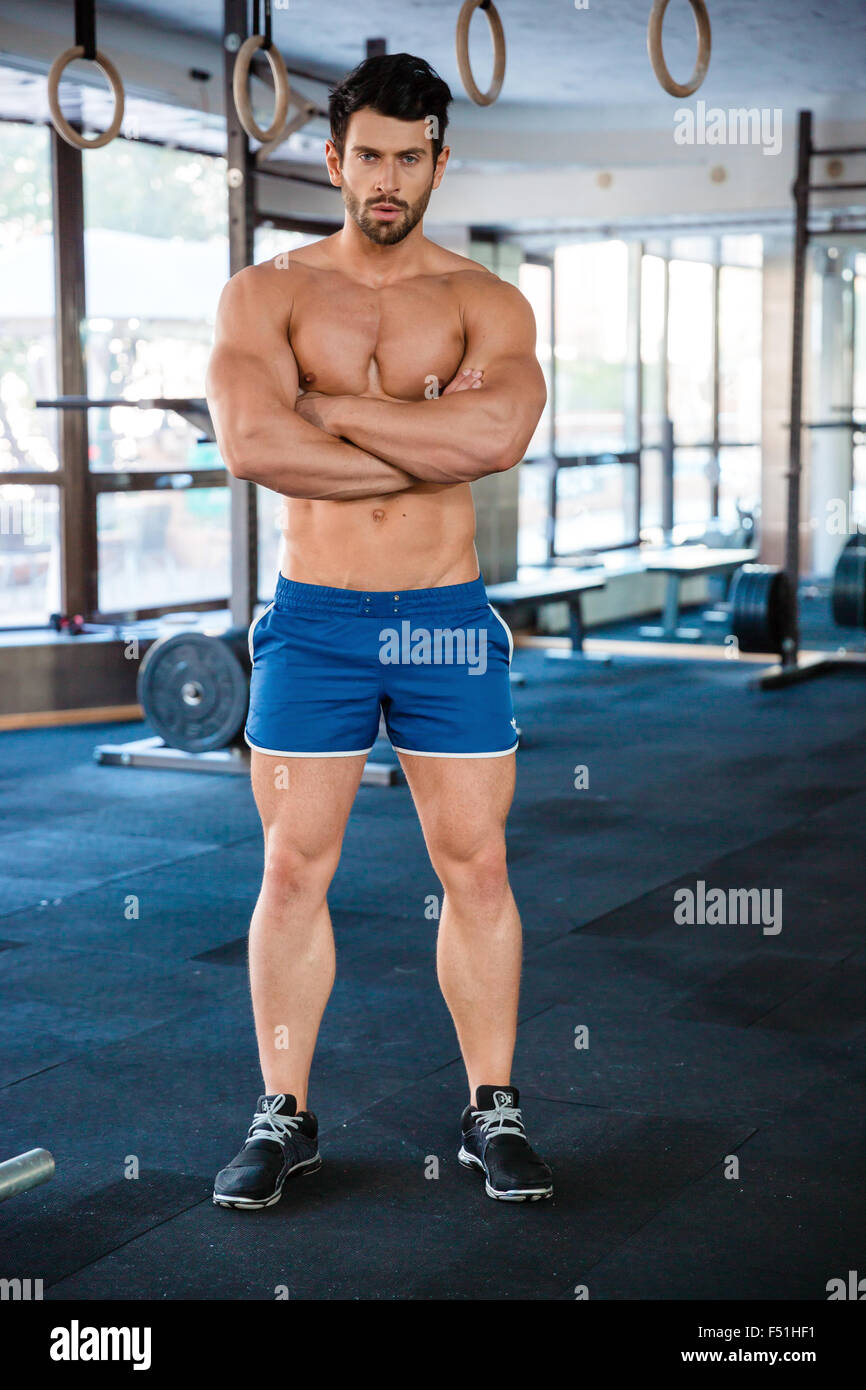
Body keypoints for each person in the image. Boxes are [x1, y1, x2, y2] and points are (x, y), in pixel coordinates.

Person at [206, 51, 552, 1207]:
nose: (387, 177)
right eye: (369, 156)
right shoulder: (266, 294)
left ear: (439, 163)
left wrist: (335, 410)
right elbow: (254, 449)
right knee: (293, 866)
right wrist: (419, 433)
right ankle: (283, 1114)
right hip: (316, 624)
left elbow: (495, 442)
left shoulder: (485, 302)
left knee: (476, 862)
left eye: (411, 157)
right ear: (333, 158)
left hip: (446, 620)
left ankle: (490, 1107)